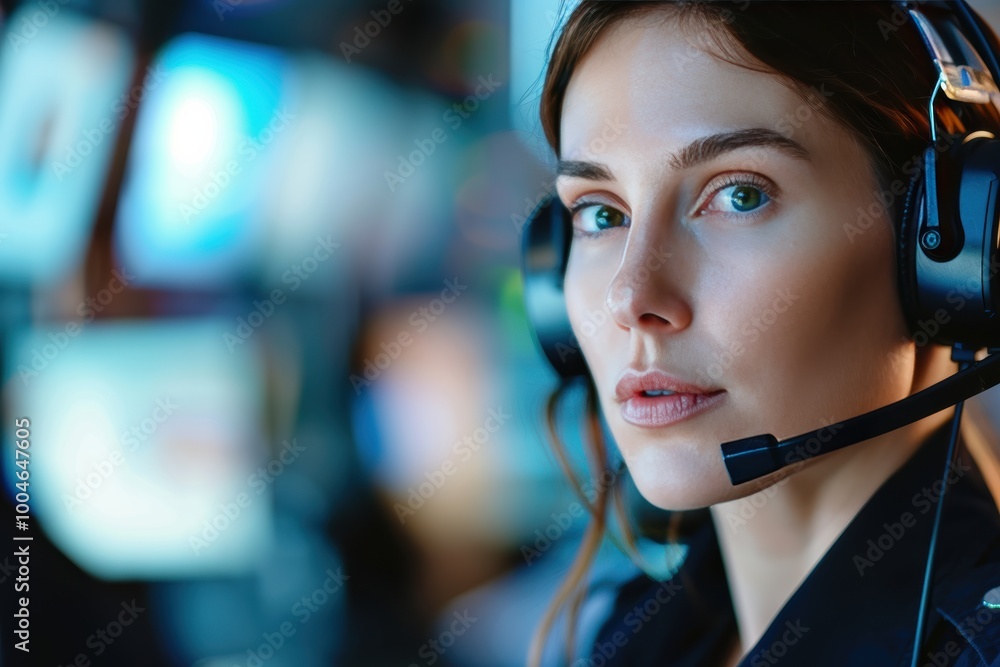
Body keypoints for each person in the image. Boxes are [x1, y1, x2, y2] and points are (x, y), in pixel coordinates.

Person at [525, 2, 1000, 666]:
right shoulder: (631, 632)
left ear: (947, 254)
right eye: (602, 214)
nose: (632, 298)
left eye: (739, 195)